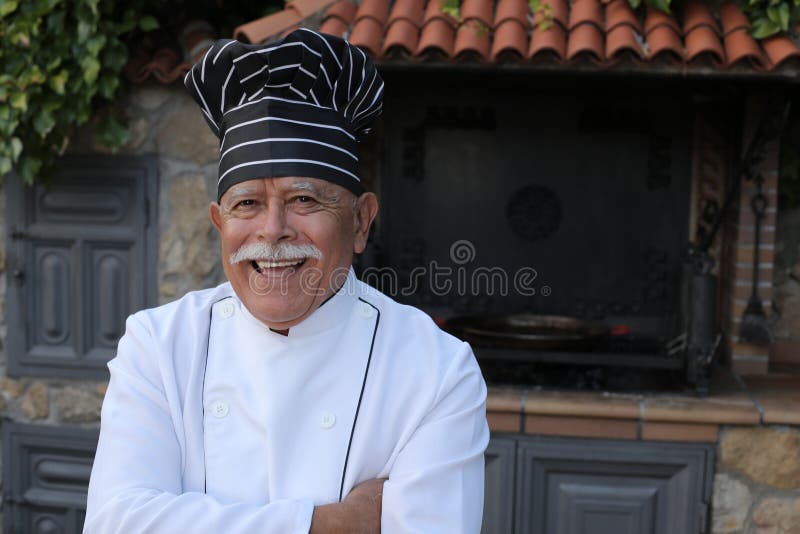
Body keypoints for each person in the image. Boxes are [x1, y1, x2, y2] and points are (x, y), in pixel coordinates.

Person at [84, 28, 489, 533]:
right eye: (247, 204)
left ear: (361, 221)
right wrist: (339, 524)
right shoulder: (160, 348)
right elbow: (114, 524)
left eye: (305, 200)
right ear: (219, 224)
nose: (272, 231)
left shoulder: (435, 371)